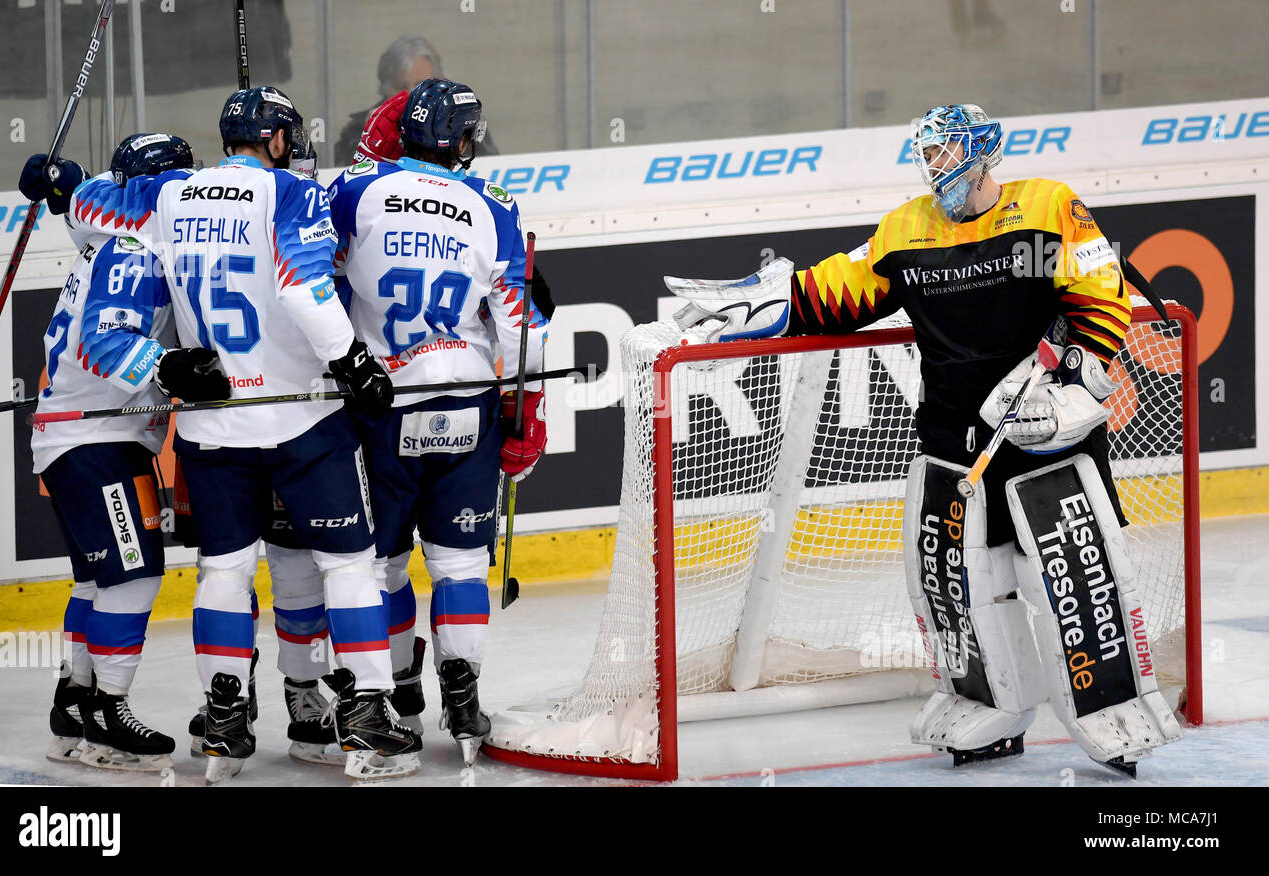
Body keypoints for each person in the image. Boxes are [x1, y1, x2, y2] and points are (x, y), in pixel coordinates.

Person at [673, 104, 1180, 776]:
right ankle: (988, 705)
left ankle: (1112, 709)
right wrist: (758, 305)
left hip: (1044, 440)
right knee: (954, 584)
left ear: (984, 151)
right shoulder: (906, 227)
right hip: (952, 441)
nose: (937, 166)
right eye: (929, 155)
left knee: (1072, 579)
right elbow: (836, 292)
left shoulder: (1048, 206)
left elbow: (1100, 293)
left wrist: (1079, 386)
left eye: (948, 153)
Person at [39, 85, 421, 783]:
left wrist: (65, 186)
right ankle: (365, 713)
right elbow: (307, 289)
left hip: (212, 426)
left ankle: (222, 722)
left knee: (225, 570)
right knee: (345, 565)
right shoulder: (291, 193)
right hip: (300, 417)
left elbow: (100, 207)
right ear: (277, 138)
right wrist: (354, 360)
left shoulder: (172, 194)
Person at [326, 78, 549, 765]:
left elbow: (312, 280)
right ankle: (463, 698)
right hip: (467, 403)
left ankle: (394, 694)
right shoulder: (494, 208)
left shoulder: (356, 192)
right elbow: (522, 330)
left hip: (383, 407)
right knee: (458, 565)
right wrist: (525, 413)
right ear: (462, 141)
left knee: (382, 566)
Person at [22, 132, 195, 772]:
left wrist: (63, 185)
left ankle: (73, 705)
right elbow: (105, 346)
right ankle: (106, 718)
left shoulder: (112, 230)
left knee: (97, 579)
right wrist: (175, 369)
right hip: (99, 436)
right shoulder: (137, 253)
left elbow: (87, 202)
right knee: (135, 573)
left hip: (73, 435)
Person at [334, 35, 499, 164]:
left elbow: (489, 169)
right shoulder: (359, 130)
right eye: (400, 85)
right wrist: (369, 142)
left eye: (422, 85)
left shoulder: (464, 121)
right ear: (385, 87)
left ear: (441, 80)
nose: (413, 96)